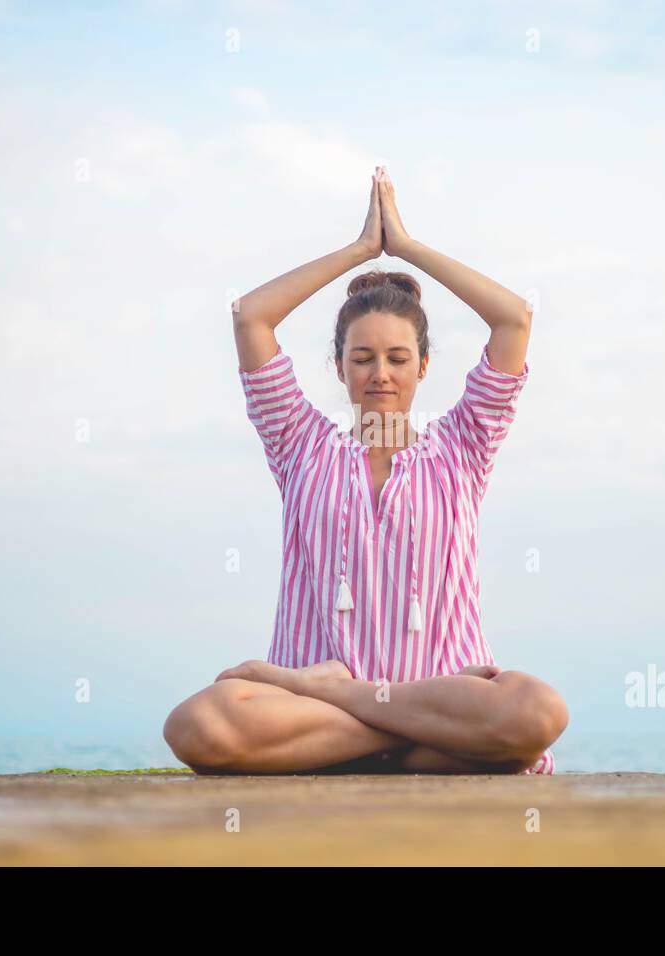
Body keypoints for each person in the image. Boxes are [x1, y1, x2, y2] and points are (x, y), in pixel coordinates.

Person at [164, 166, 567, 774]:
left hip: (375, 702)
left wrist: (404, 247)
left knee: (537, 712)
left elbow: (514, 319)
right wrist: (359, 250)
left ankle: (347, 705)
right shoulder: (299, 444)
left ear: (424, 365)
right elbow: (251, 317)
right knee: (197, 724)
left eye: (398, 357)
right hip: (427, 724)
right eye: (363, 357)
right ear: (340, 366)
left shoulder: (463, 446)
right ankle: (414, 744)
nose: (381, 372)